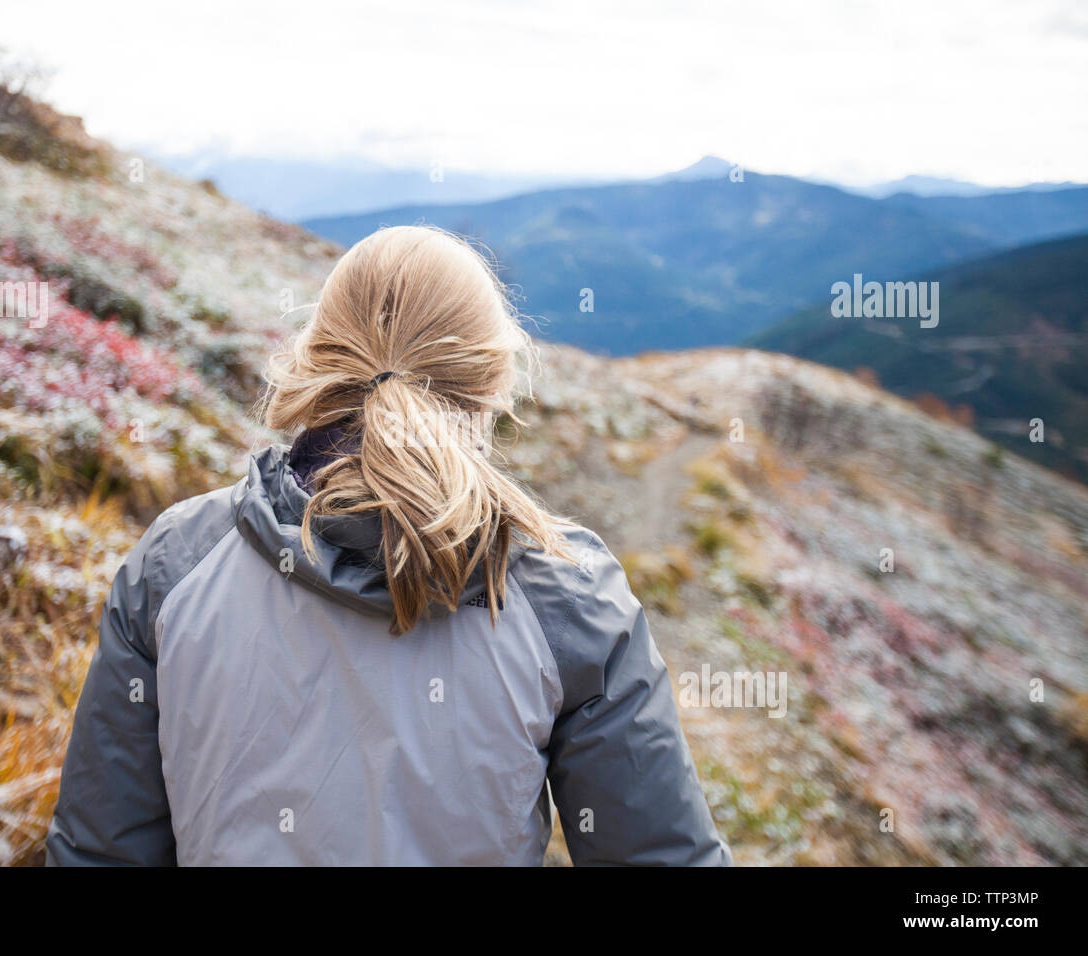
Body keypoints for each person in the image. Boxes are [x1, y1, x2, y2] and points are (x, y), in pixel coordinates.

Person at [46, 225, 731, 866]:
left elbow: (101, 850)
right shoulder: (569, 596)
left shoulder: (176, 565)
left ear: (317, 358)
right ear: (493, 386)